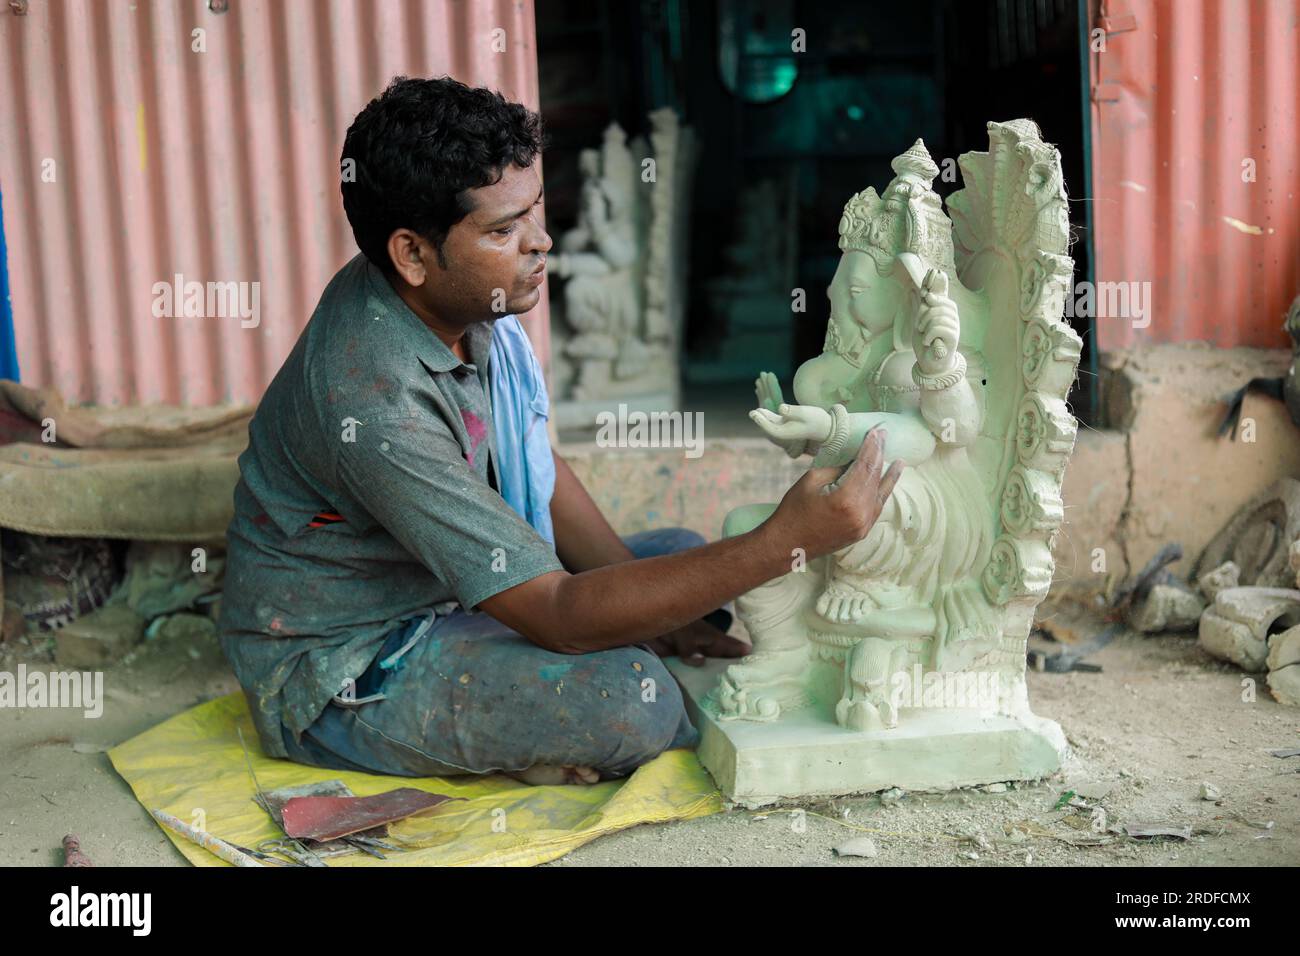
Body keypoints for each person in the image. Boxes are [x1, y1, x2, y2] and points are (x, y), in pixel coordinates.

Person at [218, 76, 903, 785]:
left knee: (677, 559)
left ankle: (550, 693)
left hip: (437, 579)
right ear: (413, 255)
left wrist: (658, 612)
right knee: (631, 702)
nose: (541, 243)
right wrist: (786, 541)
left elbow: (534, 467)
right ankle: (438, 733)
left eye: (534, 213)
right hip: (350, 656)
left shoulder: (454, 305)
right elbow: (558, 614)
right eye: (502, 230)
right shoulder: (373, 397)